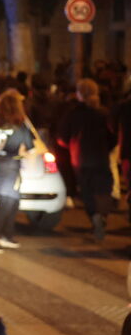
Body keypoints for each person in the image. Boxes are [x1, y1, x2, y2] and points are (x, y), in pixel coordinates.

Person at [56, 78, 116, 241]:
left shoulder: (72, 114)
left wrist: (71, 145)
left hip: (80, 158)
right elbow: (113, 136)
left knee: (87, 191)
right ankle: (102, 215)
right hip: (101, 157)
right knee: (104, 188)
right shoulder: (104, 113)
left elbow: (62, 138)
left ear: (79, 94)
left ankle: (94, 215)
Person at [0, 90, 36, 254]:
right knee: (6, 203)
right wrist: (22, 154)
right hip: (11, 166)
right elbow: (31, 148)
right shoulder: (20, 126)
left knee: (13, 201)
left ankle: (6, 235)